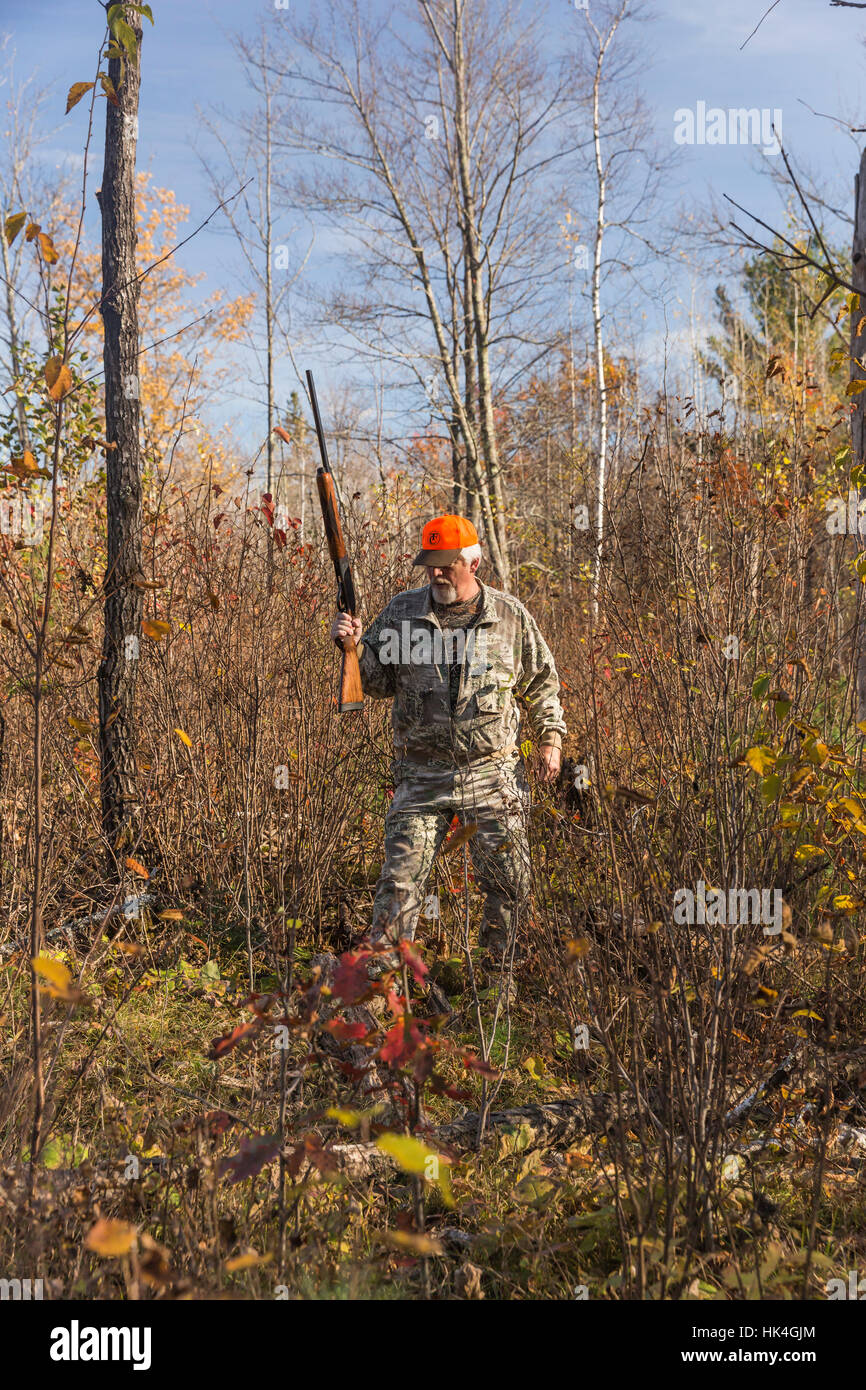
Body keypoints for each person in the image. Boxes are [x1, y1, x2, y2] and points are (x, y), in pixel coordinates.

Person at [331, 514, 566, 971]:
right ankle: (382, 991)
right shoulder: (401, 614)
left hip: (491, 772)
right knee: (399, 886)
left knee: (508, 882)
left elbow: (543, 684)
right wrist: (352, 648)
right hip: (420, 776)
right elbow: (373, 684)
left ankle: (498, 988)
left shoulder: (510, 617)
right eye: (430, 564)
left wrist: (550, 740)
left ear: (472, 563)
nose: (436, 573)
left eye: (446, 564)